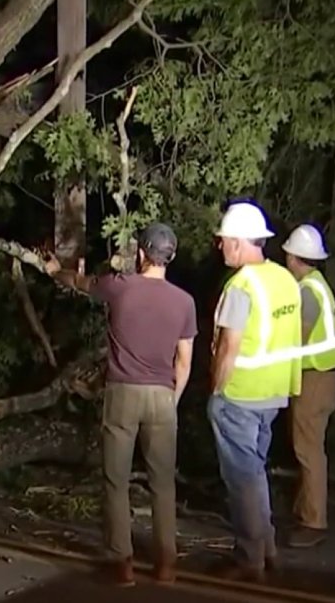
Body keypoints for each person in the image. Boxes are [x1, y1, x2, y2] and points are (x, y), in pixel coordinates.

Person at [44, 223, 197, 587]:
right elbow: (184, 362)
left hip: (123, 392)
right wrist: (171, 399)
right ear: (169, 257)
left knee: (116, 479)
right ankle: (166, 565)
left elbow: (80, 284)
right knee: (163, 483)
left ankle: (122, 562)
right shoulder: (184, 302)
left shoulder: (120, 287)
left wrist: (55, 271)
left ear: (142, 254)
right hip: (162, 396)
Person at [207, 202, 304, 582]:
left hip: (241, 393)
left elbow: (230, 345)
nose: (220, 248)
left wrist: (216, 389)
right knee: (256, 473)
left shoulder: (241, 285)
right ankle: (268, 548)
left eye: (223, 241)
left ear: (237, 242)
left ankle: (251, 557)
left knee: (243, 479)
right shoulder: (283, 278)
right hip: (274, 393)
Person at [280, 224, 335, 548]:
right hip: (325, 373)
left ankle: (314, 522)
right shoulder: (317, 285)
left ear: (295, 258)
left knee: (307, 448)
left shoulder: (307, 290)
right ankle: (306, 510)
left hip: (318, 375)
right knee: (310, 445)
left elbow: (300, 334)